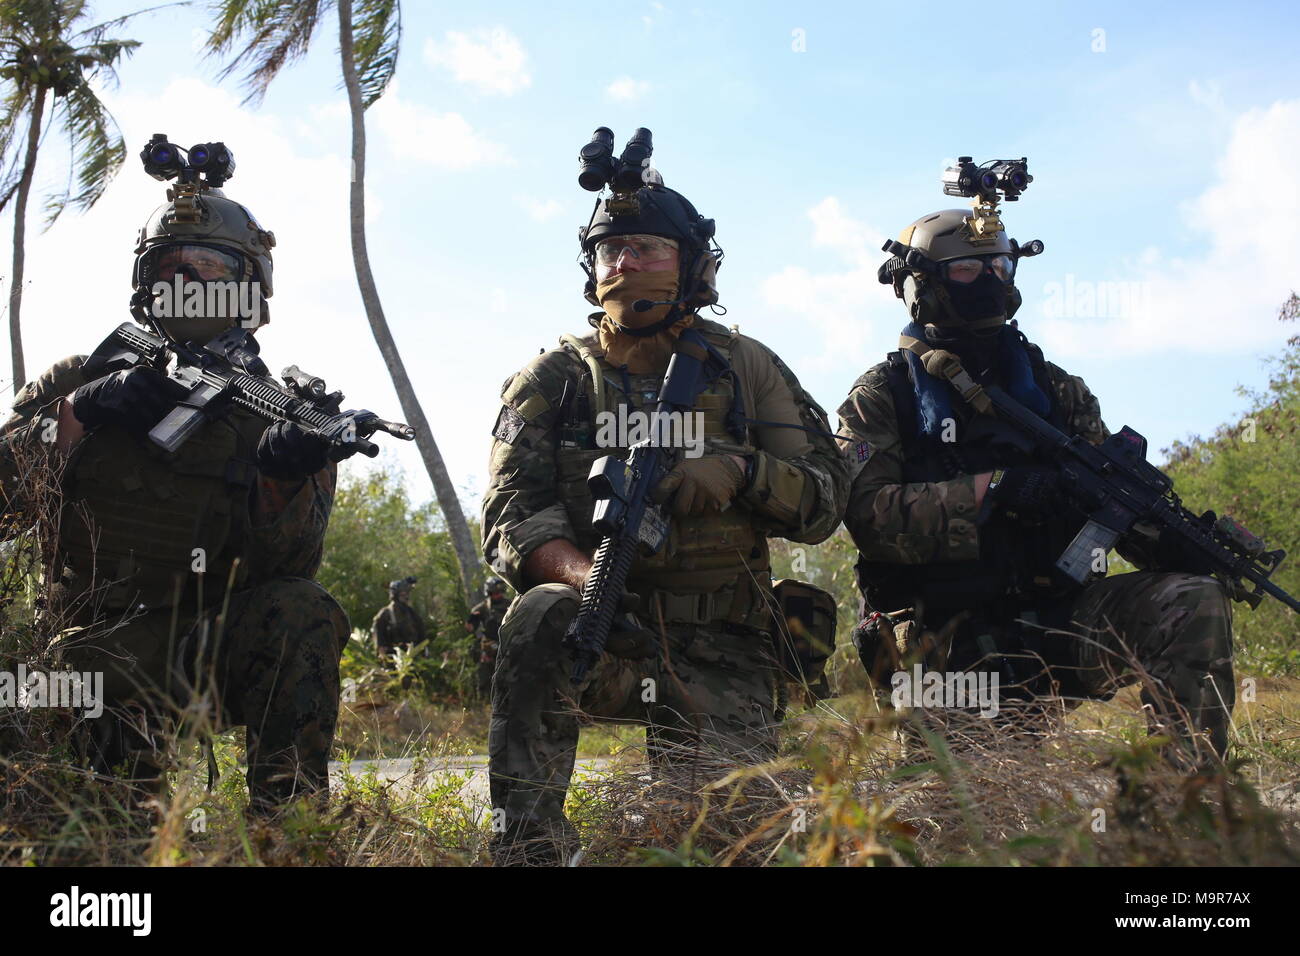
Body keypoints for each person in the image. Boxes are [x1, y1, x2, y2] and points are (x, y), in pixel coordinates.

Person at [482, 158, 849, 863]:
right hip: (606, 634)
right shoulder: (553, 379)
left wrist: (744, 472)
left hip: (723, 645)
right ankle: (528, 848)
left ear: (693, 266)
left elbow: (826, 498)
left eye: (649, 248)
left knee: (726, 841)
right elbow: (509, 514)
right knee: (536, 615)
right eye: (612, 251)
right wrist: (585, 578)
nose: (627, 262)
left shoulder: (748, 367)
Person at [837, 191, 1234, 767]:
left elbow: (1112, 501)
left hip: (1060, 619)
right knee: (956, 824)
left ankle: (1184, 811)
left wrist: (1167, 539)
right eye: (969, 268)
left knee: (1192, 600)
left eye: (1001, 266)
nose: (990, 279)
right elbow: (868, 516)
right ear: (922, 284)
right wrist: (993, 490)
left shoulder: (1057, 389)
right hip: (943, 639)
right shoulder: (881, 396)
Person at [0, 169, 355, 813]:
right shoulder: (80, 379)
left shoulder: (277, 411)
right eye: (169, 266)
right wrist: (80, 413)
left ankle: (288, 821)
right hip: (80, 653)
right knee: (107, 843)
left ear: (248, 290)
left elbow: (287, 573)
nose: (187, 283)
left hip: (200, 651)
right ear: (145, 285)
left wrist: (282, 475)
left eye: (211, 268)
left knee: (304, 608)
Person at [465, 577, 509, 699]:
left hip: (508, 646)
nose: (498, 595)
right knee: (484, 675)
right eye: (495, 592)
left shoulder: (511, 604)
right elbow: (470, 626)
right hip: (489, 647)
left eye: (500, 592)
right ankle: (483, 701)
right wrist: (480, 638)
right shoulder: (483, 607)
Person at [372, 575, 426, 657]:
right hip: (393, 660)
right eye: (403, 593)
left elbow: (421, 635)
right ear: (395, 594)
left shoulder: (411, 613)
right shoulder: (385, 614)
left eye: (407, 593)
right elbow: (380, 644)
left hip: (412, 659)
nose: (406, 596)